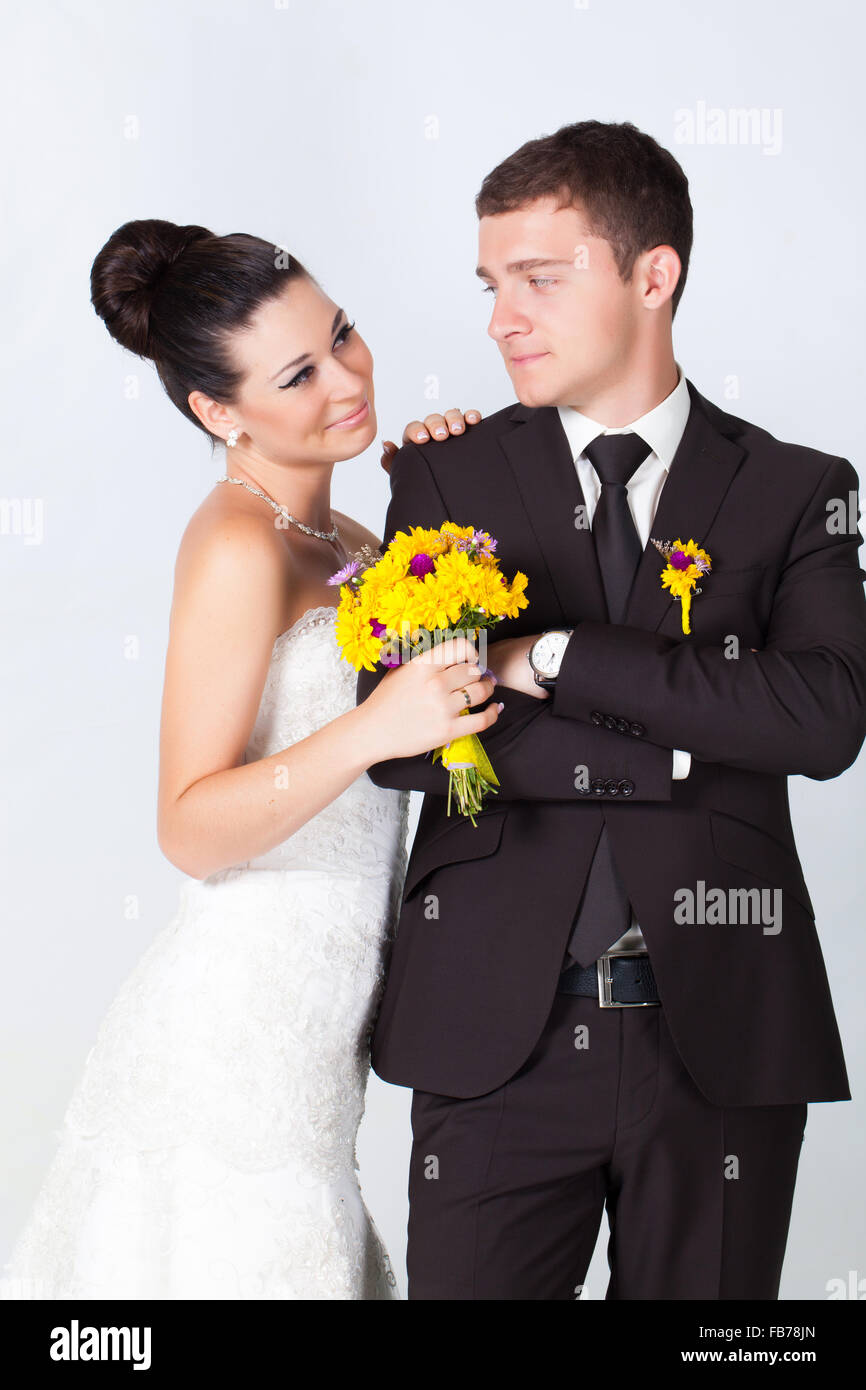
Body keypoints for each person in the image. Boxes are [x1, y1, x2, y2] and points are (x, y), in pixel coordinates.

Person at [358, 120, 866, 1300]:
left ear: (653, 275)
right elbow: (402, 747)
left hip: (726, 1037)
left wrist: (551, 655)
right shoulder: (442, 475)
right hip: (493, 1038)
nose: (500, 319)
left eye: (538, 278)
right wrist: (689, 739)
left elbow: (823, 719)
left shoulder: (798, 489)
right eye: (491, 284)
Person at [1, 218, 494, 1300]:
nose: (347, 379)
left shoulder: (357, 542)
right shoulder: (236, 542)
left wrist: (461, 488)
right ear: (216, 412)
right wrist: (372, 727)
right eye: (299, 373)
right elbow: (187, 824)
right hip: (242, 1028)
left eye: (344, 334)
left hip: (332, 1025)